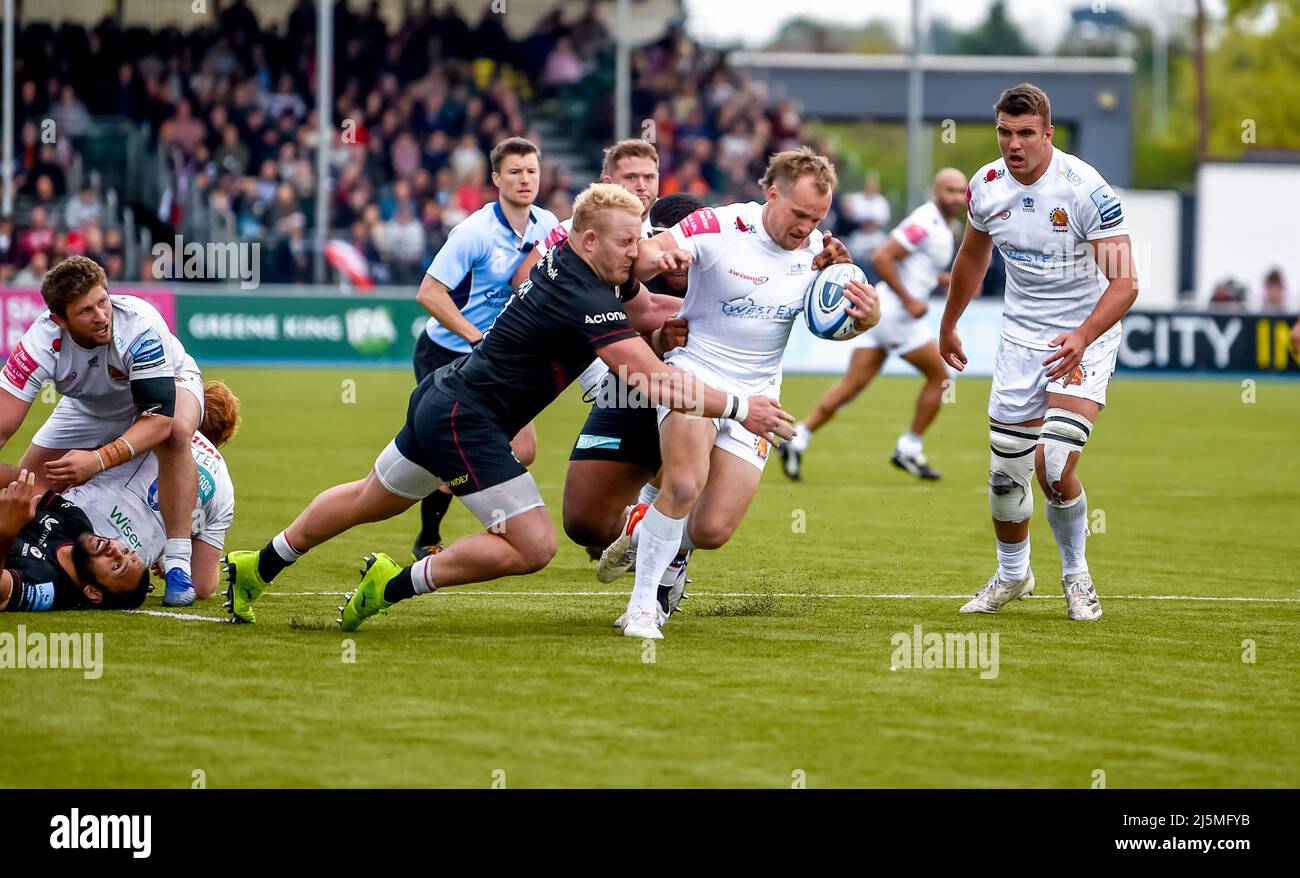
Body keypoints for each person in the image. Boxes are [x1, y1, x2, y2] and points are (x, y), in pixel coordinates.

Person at [219, 183, 795, 628]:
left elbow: (650, 308)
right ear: (590, 239)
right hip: (468, 420)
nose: (638, 251)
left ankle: (259, 564)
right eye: (628, 241)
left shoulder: (590, 267)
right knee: (533, 544)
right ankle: (392, 585)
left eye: (640, 237)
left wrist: (735, 293)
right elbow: (657, 384)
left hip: (444, 399)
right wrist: (744, 407)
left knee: (371, 497)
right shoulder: (585, 293)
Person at [597, 148, 880, 639]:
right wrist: (661, 254)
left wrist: (866, 319)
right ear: (772, 194)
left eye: (817, 217)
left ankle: (644, 522)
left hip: (760, 395)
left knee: (711, 530)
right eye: (799, 214)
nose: (806, 226)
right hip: (694, 374)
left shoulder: (820, 253)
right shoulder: (717, 225)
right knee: (683, 485)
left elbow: (833, 324)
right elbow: (639, 259)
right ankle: (643, 606)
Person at [939, 83, 1137, 622]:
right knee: (1006, 478)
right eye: (1005, 132)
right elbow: (972, 259)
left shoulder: (1086, 190)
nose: (1014, 144)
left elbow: (1125, 284)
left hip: (1083, 337)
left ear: (1048, 134)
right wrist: (949, 322)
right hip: (1021, 340)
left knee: (1052, 464)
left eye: (1026, 133)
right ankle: (1013, 575)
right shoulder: (985, 186)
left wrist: (1083, 337)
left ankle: (1077, 577)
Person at [0, 255, 204, 607]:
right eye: (85, 311)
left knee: (176, 433)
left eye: (103, 302)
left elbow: (158, 418)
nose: (101, 316)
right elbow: (3, 425)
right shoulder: (39, 343)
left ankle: (177, 564)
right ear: (59, 319)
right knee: (25, 486)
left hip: (169, 389)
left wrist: (97, 460)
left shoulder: (139, 324)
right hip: (88, 407)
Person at [410, 137, 561, 560]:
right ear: (496, 178)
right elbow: (429, 293)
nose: (525, 179)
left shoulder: (548, 225)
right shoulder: (473, 231)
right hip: (446, 352)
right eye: (515, 171)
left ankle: (482, 499)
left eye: (531, 170)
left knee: (525, 449)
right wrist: (475, 336)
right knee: (444, 451)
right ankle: (430, 536)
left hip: (498, 355)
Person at [781, 168, 966, 482]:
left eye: (962, 192)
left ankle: (798, 438)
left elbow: (915, 266)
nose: (957, 198)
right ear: (935, 192)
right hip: (896, 315)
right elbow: (883, 257)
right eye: (950, 191)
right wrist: (909, 299)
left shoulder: (945, 226)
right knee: (942, 379)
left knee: (850, 387)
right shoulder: (925, 222)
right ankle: (909, 448)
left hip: (884, 314)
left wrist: (944, 279)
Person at [0, 470, 152, 612]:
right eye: (125, 550)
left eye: (117, 565)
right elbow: (23, 486)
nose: (114, 549)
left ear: (93, 592)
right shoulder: (78, 523)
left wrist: (7, 532)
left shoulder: (49, 587)